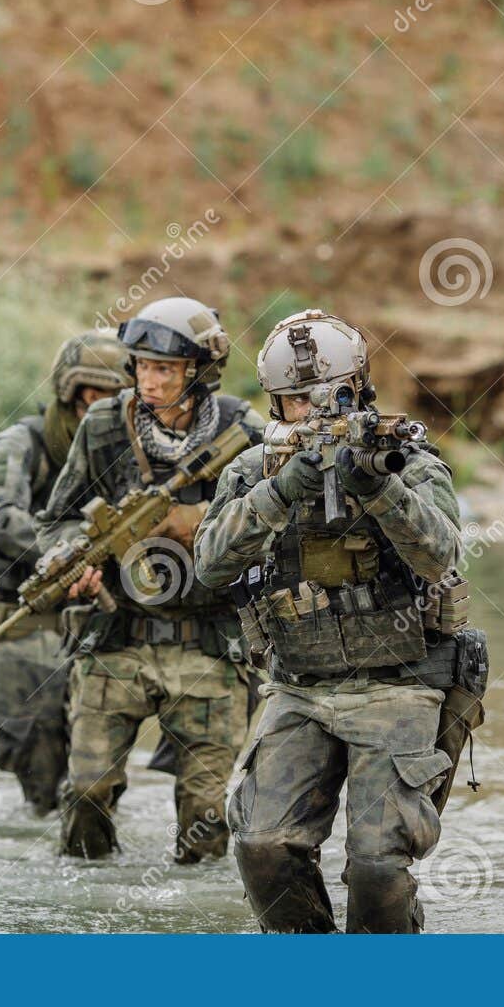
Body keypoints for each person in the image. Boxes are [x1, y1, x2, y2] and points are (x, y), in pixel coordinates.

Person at [193, 309, 466, 933]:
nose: (312, 413)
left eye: (330, 397)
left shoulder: (407, 463)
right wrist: (280, 491)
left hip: (397, 684)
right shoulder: (253, 471)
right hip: (299, 687)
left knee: (376, 865)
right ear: (275, 404)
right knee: (263, 846)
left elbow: (440, 556)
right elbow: (209, 565)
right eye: (296, 401)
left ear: (358, 391)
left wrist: (377, 489)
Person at [37, 297, 264, 862]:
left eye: (165, 368)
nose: (149, 380)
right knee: (86, 793)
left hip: (209, 644)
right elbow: (56, 518)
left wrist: (199, 522)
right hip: (118, 635)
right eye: (141, 365)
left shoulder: (245, 431)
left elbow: (279, 527)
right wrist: (71, 558)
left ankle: (198, 910)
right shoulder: (103, 426)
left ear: (199, 372)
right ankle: (84, 898)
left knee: (204, 814)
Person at [0, 332, 130, 814]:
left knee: (97, 783)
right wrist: (72, 546)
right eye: (90, 394)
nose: (98, 407)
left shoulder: (124, 450)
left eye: (112, 397)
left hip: (101, 624)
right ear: (67, 390)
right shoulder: (23, 443)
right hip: (28, 625)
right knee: (40, 774)